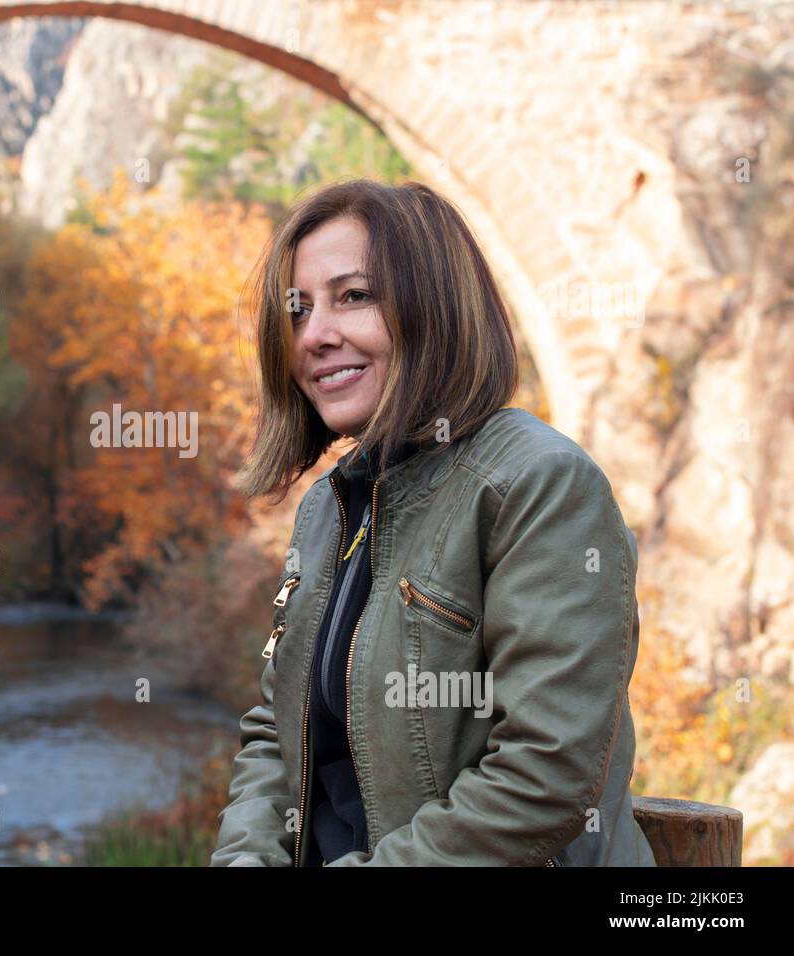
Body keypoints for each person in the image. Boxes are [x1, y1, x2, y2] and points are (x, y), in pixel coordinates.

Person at [209, 178, 656, 866]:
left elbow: (544, 778)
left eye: (353, 297)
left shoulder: (538, 486)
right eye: (297, 310)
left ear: (436, 307)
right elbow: (277, 731)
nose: (315, 335)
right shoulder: (328, 509)